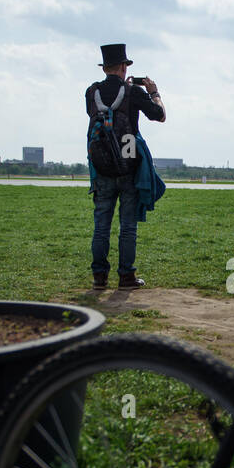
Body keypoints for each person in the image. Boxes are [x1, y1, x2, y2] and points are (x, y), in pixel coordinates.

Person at [85, 43, 166, 289]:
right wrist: (153, 92)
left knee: (101, 226)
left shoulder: (91, 92)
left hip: (101, 168)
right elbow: (160, 115)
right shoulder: (133, 93)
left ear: (105, 67)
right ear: (123, 66)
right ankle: (126, 277)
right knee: (127, 227)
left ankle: (99, 278)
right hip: (129, 166)